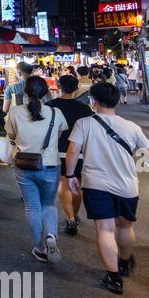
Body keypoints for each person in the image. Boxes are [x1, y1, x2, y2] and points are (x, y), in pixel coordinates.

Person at [64, 83, 149, 294]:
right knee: (125, 226)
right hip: (128, 186)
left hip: (96, 184)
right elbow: (147, 150)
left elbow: (73, 151)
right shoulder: (131, 126)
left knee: (105, 229)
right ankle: (124, 261)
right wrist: (135, 169)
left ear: (94, 101)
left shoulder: (84, 124)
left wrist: (70, 176)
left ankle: (114, 278)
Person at [5, 75, 68, 263]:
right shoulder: (56, 113)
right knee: (48, 205)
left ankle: (40, 248)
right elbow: (60, 132)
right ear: (46, 93)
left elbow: (10, 134)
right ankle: (51, 235)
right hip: (50, 165)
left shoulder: (15, 112)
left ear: (25, 92)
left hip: (24, 166)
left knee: (32, 207)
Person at [48, 73, 93, 236]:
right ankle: (75, 214)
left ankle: (70, 219)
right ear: (76, 88)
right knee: (77, 184)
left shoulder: (50, 105)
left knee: (64, 183)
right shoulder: (84, 108)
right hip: (79, 152)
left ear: (59, 87)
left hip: (57, 151)